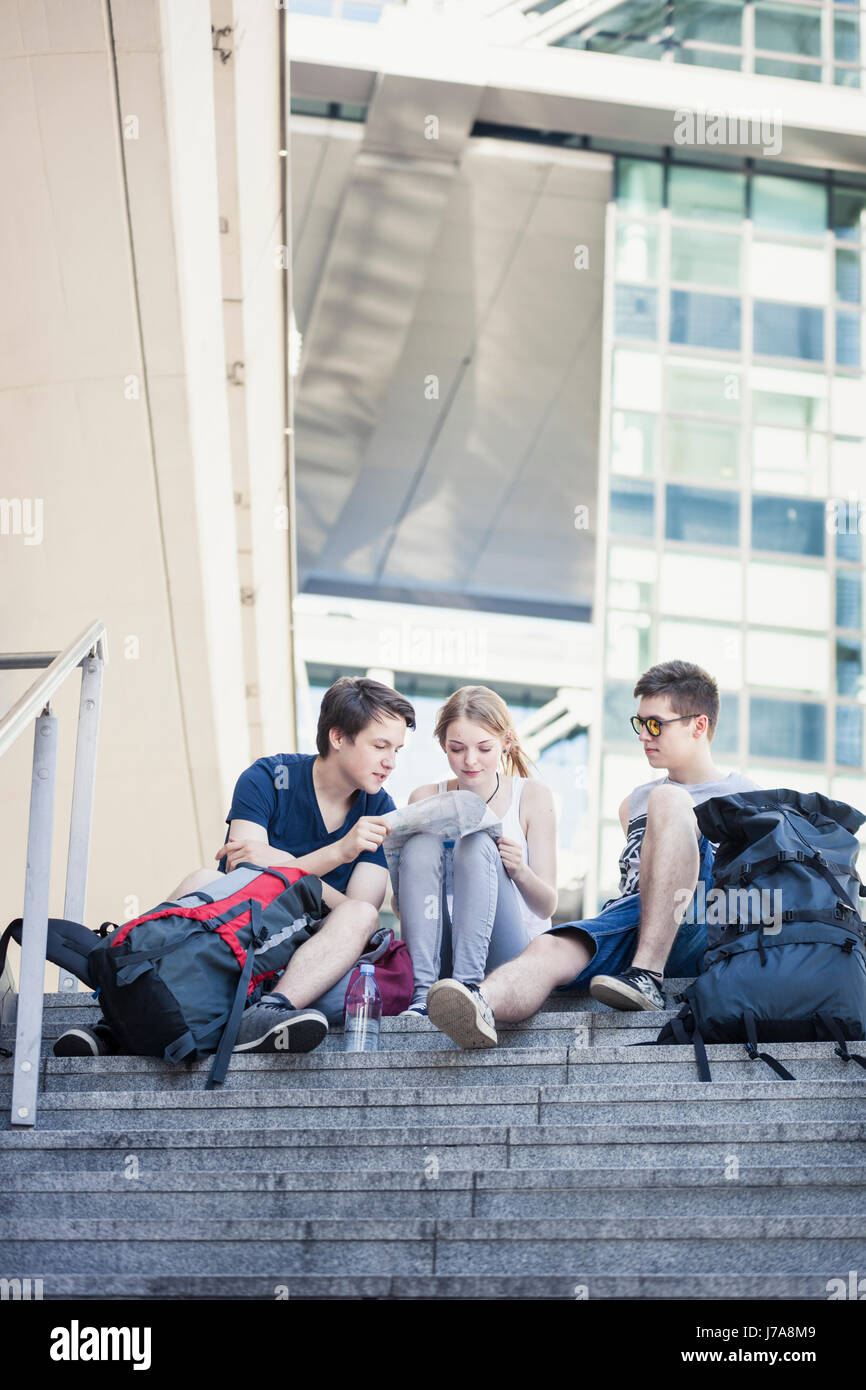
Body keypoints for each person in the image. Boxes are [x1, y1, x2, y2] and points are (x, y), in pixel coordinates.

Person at [53, 676, 415, 1058]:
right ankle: (120, 1008)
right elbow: (241, 877)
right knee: (203, 879)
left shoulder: (380, 808)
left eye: (397, 750)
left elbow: (360, 915)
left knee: (359, 914)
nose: (390, 762)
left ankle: (270, 1011)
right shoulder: (268, 777)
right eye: (380, 746)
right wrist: (337, 853)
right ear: (338, 737)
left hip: (314, 952)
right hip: (245, 929)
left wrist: (281, 863)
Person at [425, 660, 759, 1049]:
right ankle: (480, 1004)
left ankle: (647, 976)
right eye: (640, 724)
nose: (644, 735)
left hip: (702, 918)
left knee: (667, 799)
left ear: (698, 726)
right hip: (634, 917)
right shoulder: (632, 804)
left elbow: (756, 895)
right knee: (551, 944)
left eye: (655, 724)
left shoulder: (747, 797)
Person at [395, 685, 557, 1018]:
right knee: (421, 845)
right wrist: (411, 880)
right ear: (443, 745)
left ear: (505, 742)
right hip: (440, 952)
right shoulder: (424, 797)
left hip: (510, 960)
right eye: (457, 749)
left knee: (476, 843)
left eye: (484, 748)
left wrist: (519, 871)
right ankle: (422, 995)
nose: (470, 760)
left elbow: (547, 906)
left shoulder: (532, 796)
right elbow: (401, 908)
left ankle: (467, 991)